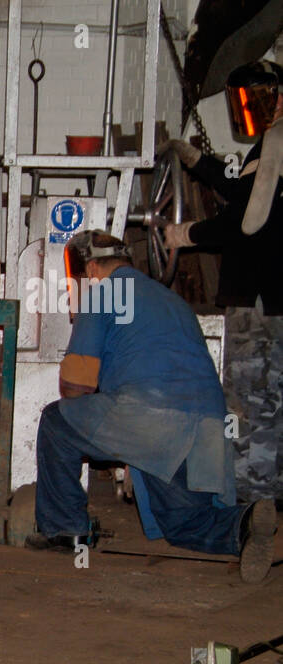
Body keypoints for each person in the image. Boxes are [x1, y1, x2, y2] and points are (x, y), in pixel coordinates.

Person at [29, 230, 276, 584]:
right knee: (183, 523)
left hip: (153, 420)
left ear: (93, 269)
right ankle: (245, 524)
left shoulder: (102, 294)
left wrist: (120, 439)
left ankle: (64, 530)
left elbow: (75, 388)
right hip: (209, 426)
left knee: (56, 421)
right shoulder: (172, 300)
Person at [162, 60, 283, 502]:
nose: (251, 110)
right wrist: (199, 162)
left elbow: (244, 222)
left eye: (259, 99)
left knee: (251, 404)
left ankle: (253, 503)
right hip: (272, 300)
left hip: (260, 303)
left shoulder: (278, 140)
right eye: (245, 102)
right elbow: (243, 191)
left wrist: (186, 233)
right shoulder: (271, 148)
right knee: (272, 401)